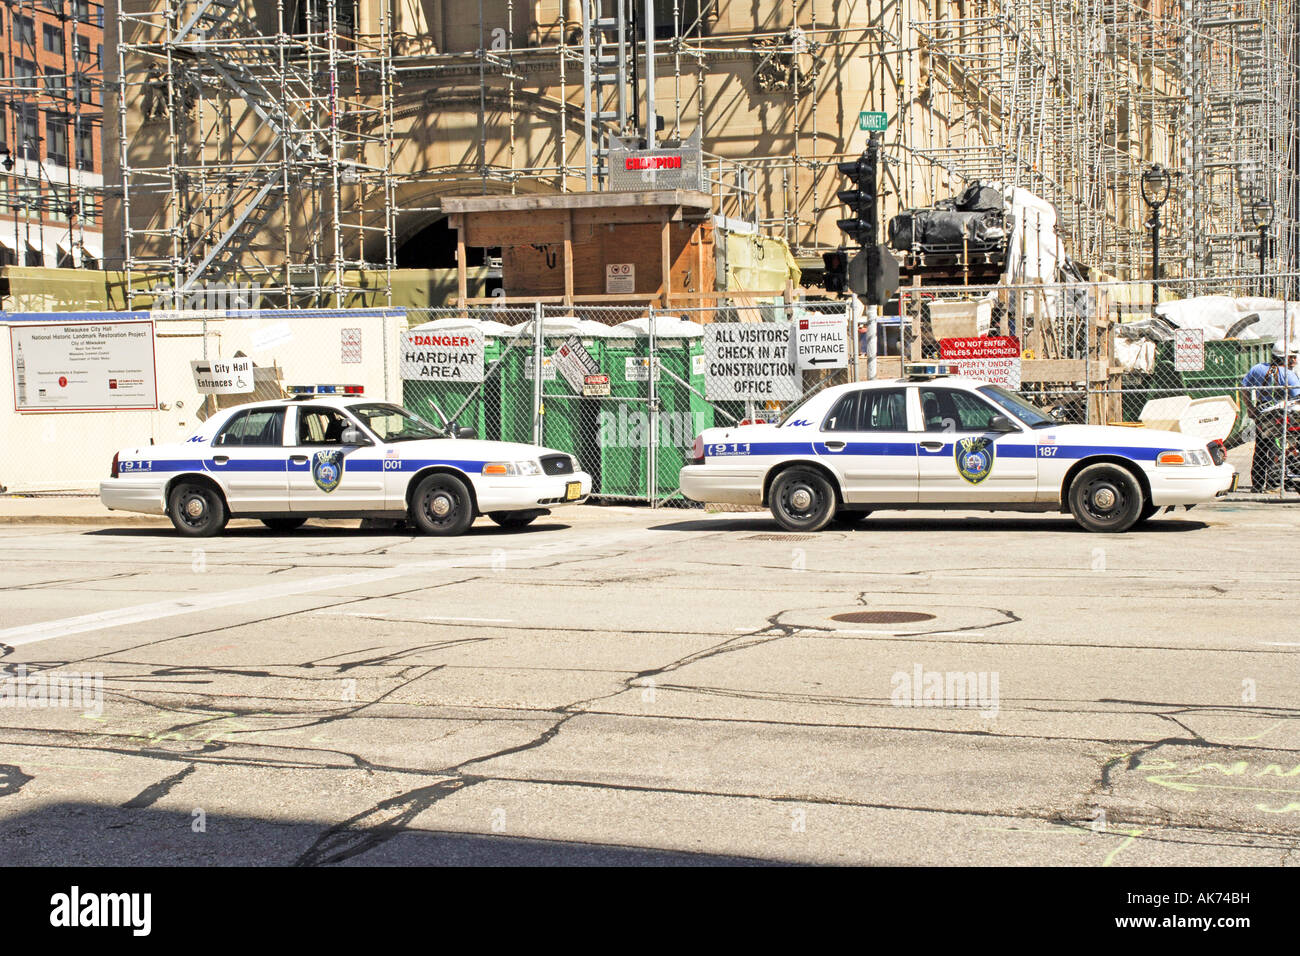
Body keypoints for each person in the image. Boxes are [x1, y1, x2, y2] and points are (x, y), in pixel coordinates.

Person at [1241, 339, 1300, 490]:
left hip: (1261, 411)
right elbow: (1297, 398)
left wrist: (1250, 407)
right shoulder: (1289, 375)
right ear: (1284, 357)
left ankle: (1258, 484)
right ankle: (1274, 483)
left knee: (1261, 448)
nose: (1294, 359)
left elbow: (1244, 387)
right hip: (1281, 413)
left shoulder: (1258, 368)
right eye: (1292, 357)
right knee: (1278, 447)